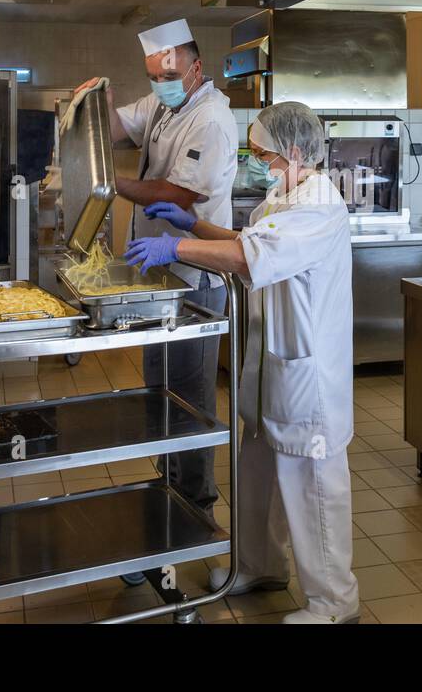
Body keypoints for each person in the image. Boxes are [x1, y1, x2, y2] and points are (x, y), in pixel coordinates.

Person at [125, 102, 360, 624]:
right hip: (270, 370)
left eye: (264, 154)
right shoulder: (284, 194)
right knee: (257, 473)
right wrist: (196, 226)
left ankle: (334, 603)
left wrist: (177, 246)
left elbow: (246, 260)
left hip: (308, 377)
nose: (257, 163)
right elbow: (246, 243)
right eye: (253, 154)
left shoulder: (318, 205)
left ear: (296, 152)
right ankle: (260, 565)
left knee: (312, 485)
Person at [84, 19, 237, 531]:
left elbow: (179, 194)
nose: (159, 84)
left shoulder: (210, 118)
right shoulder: (164, 104)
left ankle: (199, 513)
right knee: (160, 394)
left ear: (194, 69)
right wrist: (92, 104)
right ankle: (169, 498)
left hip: (196, 280)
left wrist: (110, 184)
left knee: (190, 402)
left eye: (167, 74)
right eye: (152, 75)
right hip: (159, 273)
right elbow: (111, 130)